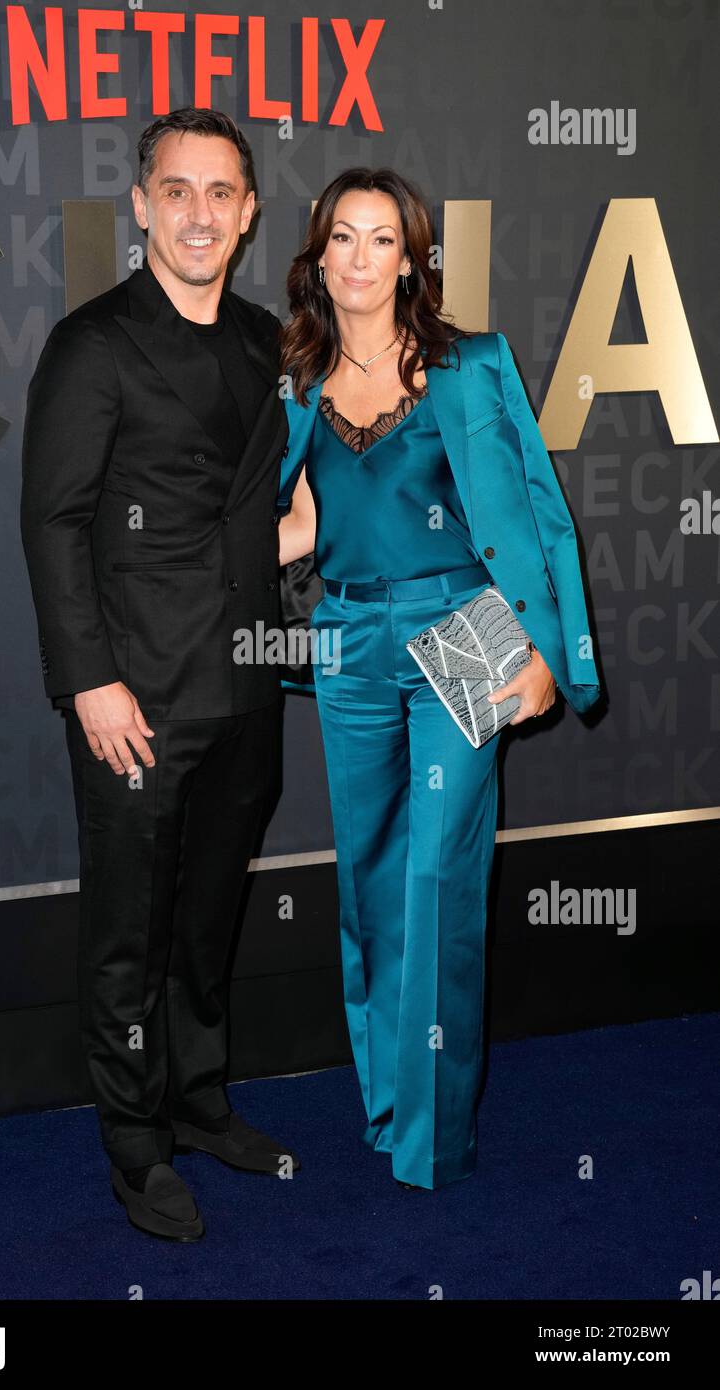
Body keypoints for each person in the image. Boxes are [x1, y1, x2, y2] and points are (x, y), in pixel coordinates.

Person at [276, 168, 601, 1191]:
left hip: (465, 628)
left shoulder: (469, 365)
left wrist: (548, 652)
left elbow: (539, 512)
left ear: (412, 259)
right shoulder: (293, 377)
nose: (362, 258)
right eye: (344, 237)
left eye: (384, 240)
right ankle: (384, 1107)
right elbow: (300, 521)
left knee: (436, 877)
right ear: (318, 253)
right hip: (345, 636)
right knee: (367, 881)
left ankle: (430, 1137)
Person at [20, 108, 299, 1243]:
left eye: (219, 193)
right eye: (174, 191)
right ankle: (134, 1143)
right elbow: (53, 522)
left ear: (246, 213)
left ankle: (196, 1099)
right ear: (140, 205)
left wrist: (304, 536)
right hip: (135, 695)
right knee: (131, 930)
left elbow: (248, 514)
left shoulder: (260, 339)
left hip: (244, 683)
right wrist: (89, 681)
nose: (197, 213)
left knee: (205, 919)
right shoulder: (93, 342)